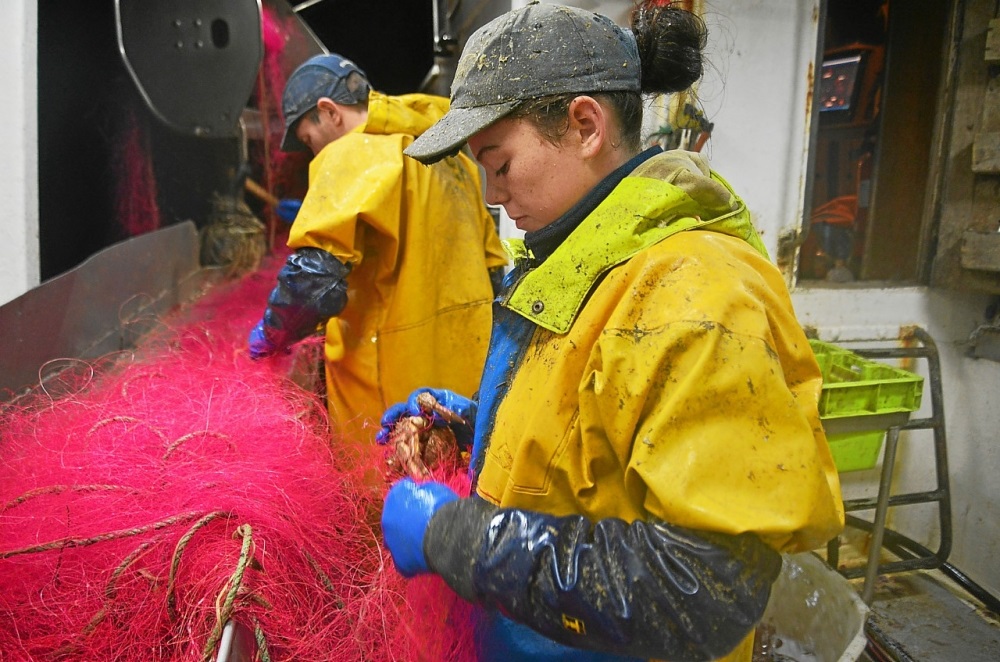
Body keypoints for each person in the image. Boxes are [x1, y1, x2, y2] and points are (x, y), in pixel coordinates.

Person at [377, 3, 845, 661]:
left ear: (585, 126)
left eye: (500, 163)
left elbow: (698, 587)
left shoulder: (692, 291)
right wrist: (481, 427)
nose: (489, 192)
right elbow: (599, 442)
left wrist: (457, 539)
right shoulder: (586, 260)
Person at [247, 53, 507, 451]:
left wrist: (275, 330)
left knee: (382, 492)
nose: (313, 150)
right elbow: (491, 264)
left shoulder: (348, 153)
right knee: (448, 484)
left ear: (329, 112)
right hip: (462, 370)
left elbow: (315, 282)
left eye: (307, 138)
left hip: (390, 380)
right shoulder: (449, 154)